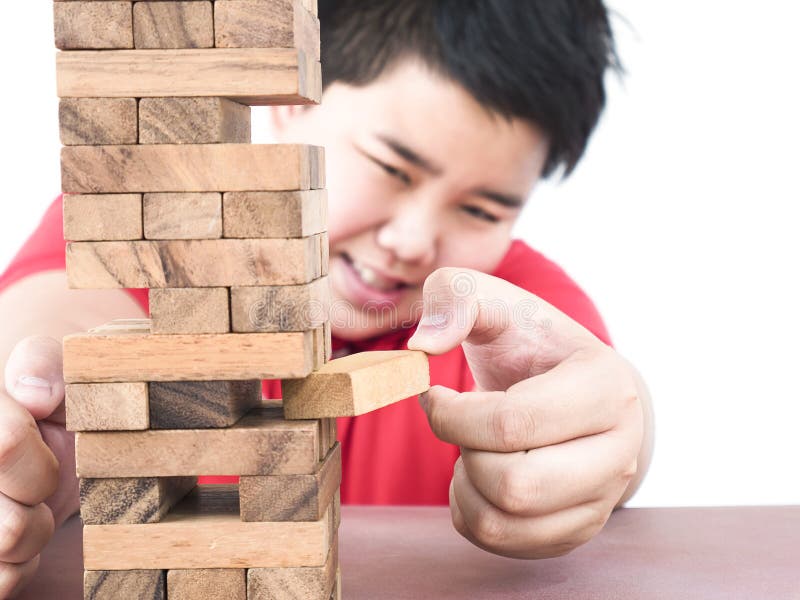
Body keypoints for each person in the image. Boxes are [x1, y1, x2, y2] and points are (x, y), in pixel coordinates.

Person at [0, 0, 654, 594]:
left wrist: (622, 437)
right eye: (392, 168)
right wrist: (31, 410)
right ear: (294, 100)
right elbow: (51, 316)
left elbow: (603, 394)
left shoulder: (512, 307)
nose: (412, 241)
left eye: (482, 210)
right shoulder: (153, 221)